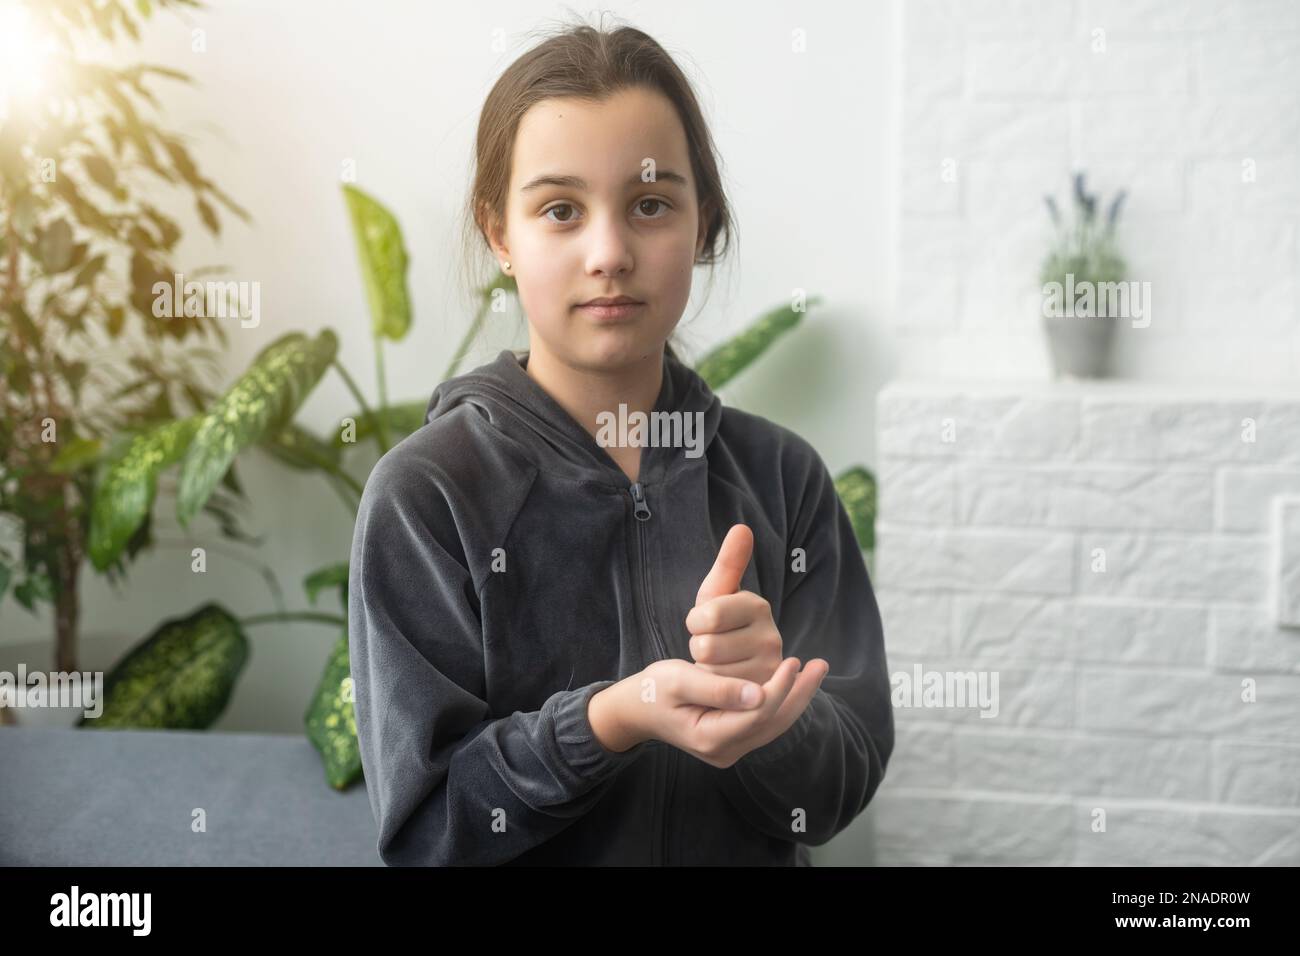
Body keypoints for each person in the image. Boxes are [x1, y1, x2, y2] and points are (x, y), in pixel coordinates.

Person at [347, 19, 893, 866]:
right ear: (500, 235)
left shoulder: (785, 480)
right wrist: (608, 722)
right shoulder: (427, 496)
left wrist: (771, 708)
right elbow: (428, 834)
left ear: (702, 221)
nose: (609, 254)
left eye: (649, 205)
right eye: (560, 210)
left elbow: (838, 789)